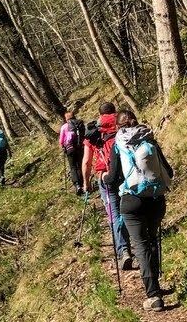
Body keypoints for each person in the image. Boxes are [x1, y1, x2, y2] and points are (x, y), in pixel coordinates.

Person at [101, 110, 175, 311]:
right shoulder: (149, 139)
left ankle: (153, 295)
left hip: (132, 201)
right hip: (156, 199)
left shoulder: (118, 143)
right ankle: (156, 285)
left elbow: (113, 177)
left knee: (141, 245)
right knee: (151, 240)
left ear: (118, 126)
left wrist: (103, 178)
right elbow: (168, 171)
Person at [82, 102, 135, 270]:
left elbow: (86, 162)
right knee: (130, 208)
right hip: (127, 173)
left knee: (114, 213)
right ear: (115, 112)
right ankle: (140, 241)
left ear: (100, 114)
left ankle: (123, 250)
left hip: (106, 176)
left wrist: (86, 182)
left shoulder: (94, 132)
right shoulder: (123, 123)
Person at [59, 110, 85, 195]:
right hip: (80, 147)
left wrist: (63, 146)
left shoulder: (64, 127)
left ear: (66, 119)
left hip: (70, 148)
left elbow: (61, 141)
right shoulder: (79, 124)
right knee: (81, 164)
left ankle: (77, 185)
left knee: (73, 166)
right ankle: (84, 183)